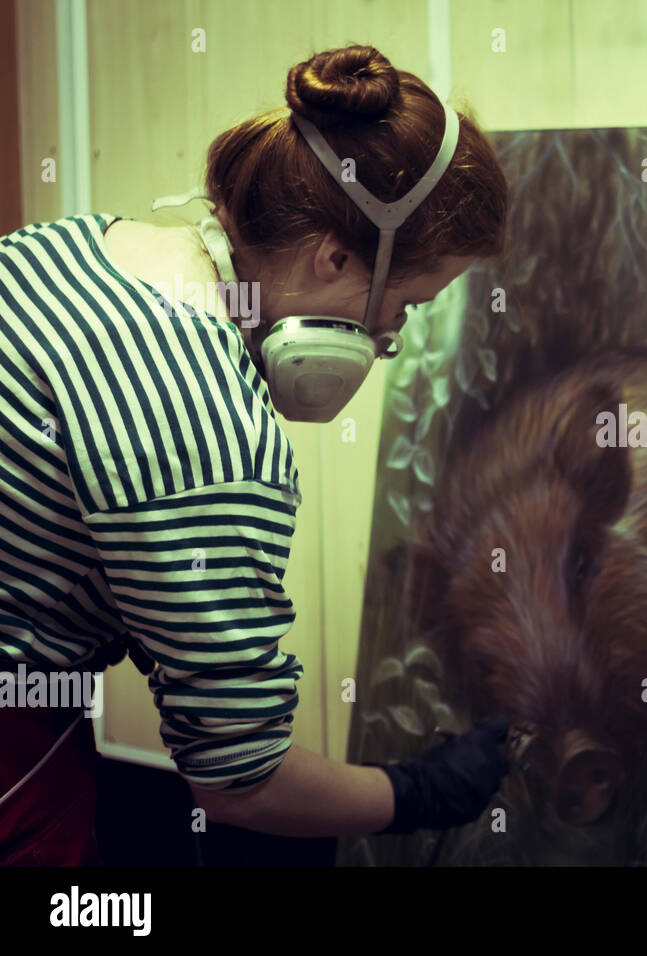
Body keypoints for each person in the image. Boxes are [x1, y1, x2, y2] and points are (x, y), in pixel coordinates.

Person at [0, 44, 512, 865]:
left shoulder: (75, 248)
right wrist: (421, 791)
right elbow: (241, 782)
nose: (390, 341)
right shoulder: (207, 427)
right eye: (407, 305)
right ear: (338, 258)